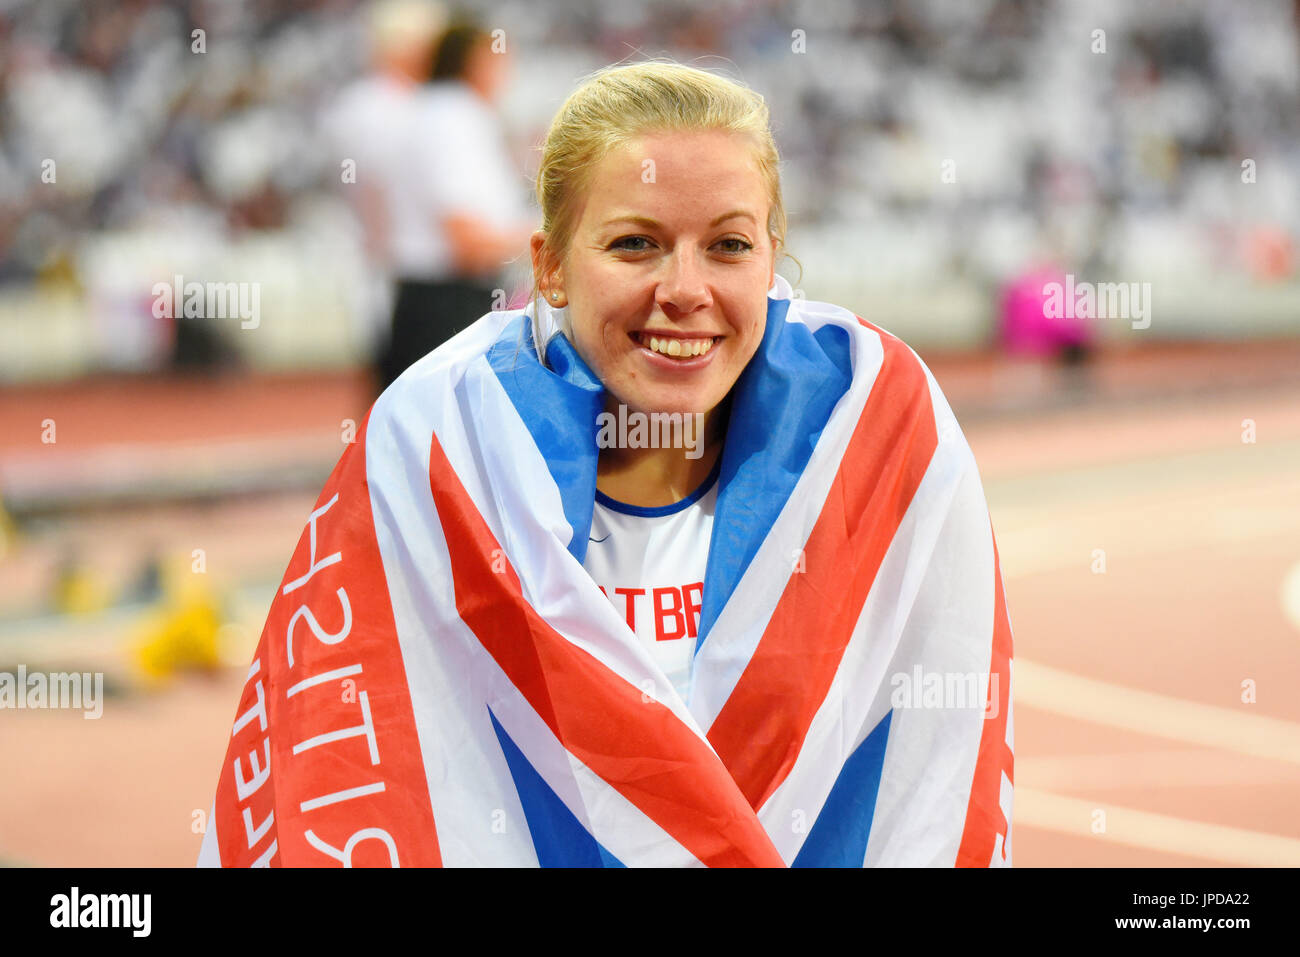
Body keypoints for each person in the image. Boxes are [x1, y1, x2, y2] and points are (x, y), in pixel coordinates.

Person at [198, 60, 1014, 868]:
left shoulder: (870, 445)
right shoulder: (444, 455)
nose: (685, 289)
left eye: (728, 245)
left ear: (773, 260)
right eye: (635, 244)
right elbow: (361, 786)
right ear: (549, 265)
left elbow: (926, 791)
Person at [374, 17, 536, 394]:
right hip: (448, 303)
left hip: (424, 297)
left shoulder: (427, 110)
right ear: (472, 61)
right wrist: (556, 235)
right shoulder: (455, 116)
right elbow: (468, 240)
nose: (505, 72)